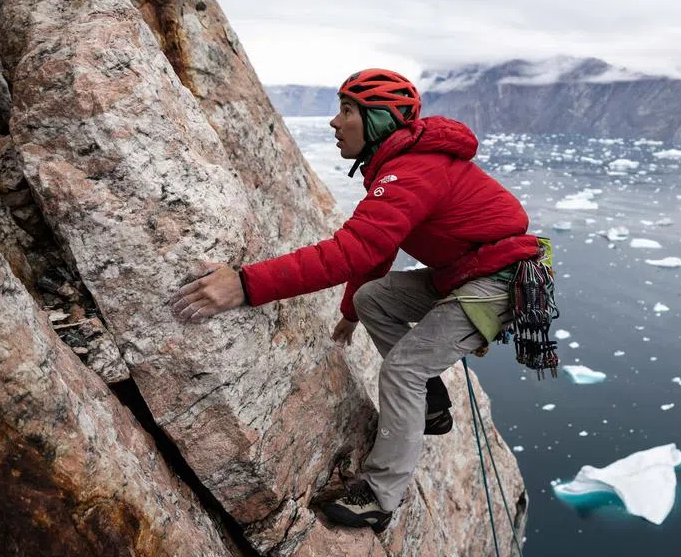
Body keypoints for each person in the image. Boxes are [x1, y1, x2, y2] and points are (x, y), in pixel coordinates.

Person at [169, 69, 553, 532]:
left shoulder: (414, 169)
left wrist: (245, 284)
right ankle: (430, 403)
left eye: (347, 111)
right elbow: (377, 252)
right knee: (376, 298)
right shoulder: (399, 165)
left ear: (379, 121)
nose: (335, 122)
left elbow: (351, 251)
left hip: (493, 280)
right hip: (466, 272)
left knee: (405, 368)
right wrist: (353, 310)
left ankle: (379, 496)